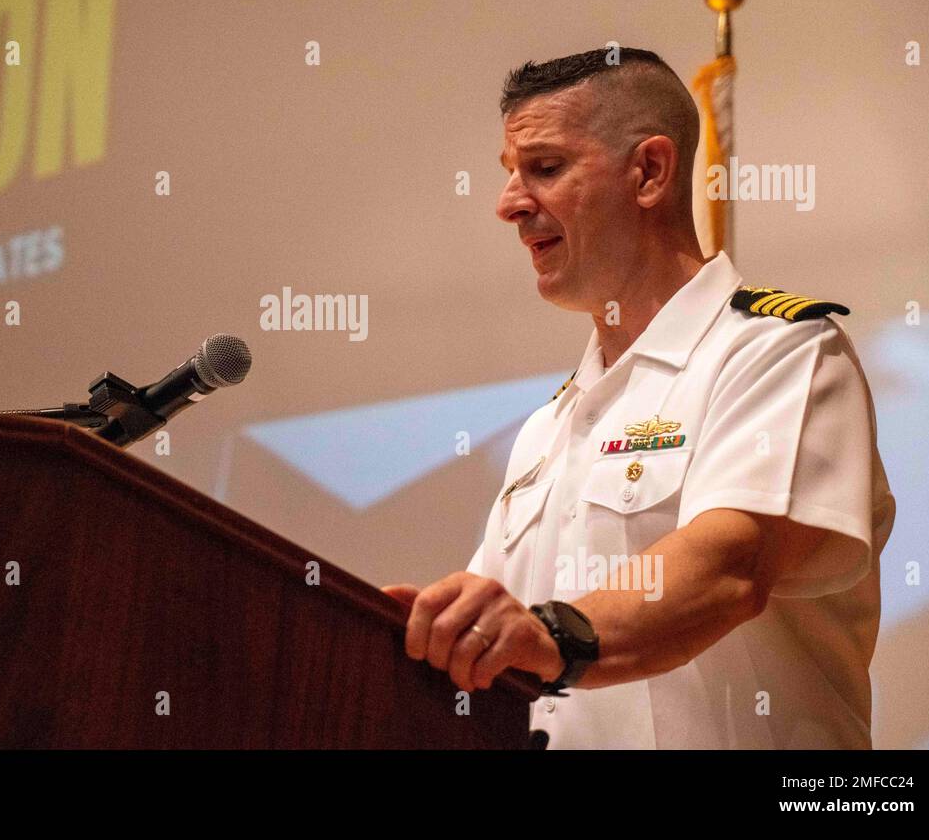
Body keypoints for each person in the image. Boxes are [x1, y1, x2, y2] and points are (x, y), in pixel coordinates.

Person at [382, 48, 895, 749]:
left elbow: (729, 566)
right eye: (510, 174)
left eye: (546, 167)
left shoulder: (780, 352)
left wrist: (553, 635)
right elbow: (494, 645)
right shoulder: (547, 428)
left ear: (650, 172)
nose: (508, 204)